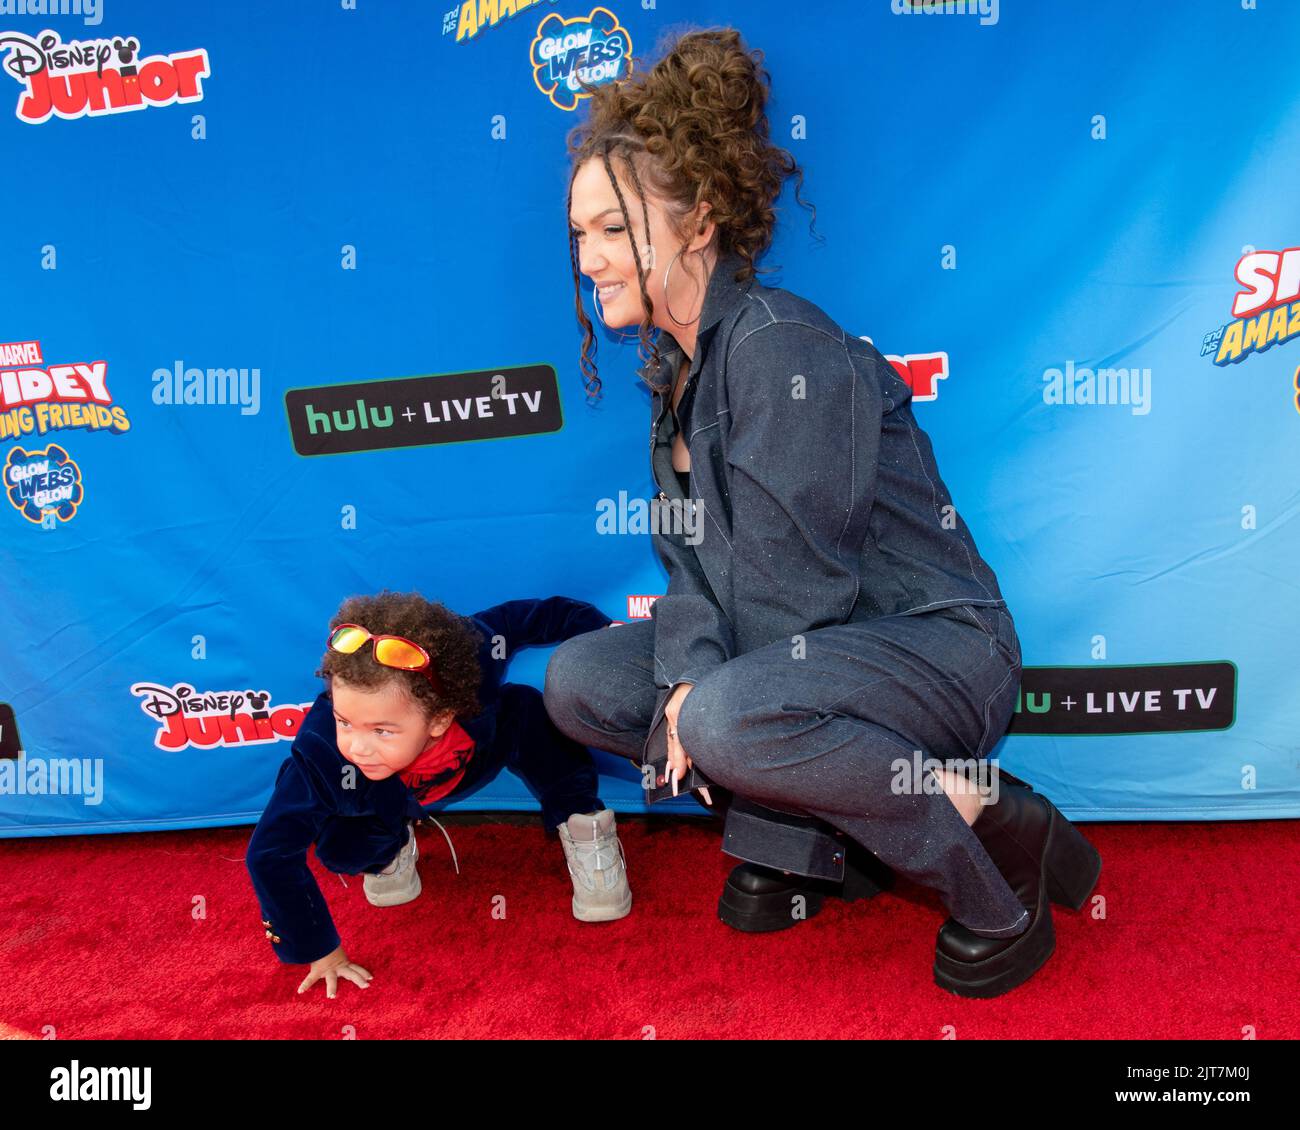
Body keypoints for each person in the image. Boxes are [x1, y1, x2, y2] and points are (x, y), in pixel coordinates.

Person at [543, 28, 1101, 998]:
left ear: (700, 219)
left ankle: (995, 902)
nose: (589, 258)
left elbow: (790, 606)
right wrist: (683, 685)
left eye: (612, 228)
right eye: (579, 233)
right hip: (815, 655)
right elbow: (688, 572)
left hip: (936, 646)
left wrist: (695, 703)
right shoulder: (674, 374)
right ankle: (899, 817)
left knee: (721, 711)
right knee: (581, 678)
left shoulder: (778, 350)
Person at [246, 589, 630, 999]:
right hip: (378, 805)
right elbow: (269, 855)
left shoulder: (473, 654)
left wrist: (605, 632)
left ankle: (580, 817)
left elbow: (527, 616)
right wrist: (321, 951)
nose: (357, 746)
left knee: (526, 711)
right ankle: (389, 851)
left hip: (473, 758)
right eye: (343, 720)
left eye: (381, 730)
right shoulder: (321, 758)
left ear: (440, 718)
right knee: (343, 848)